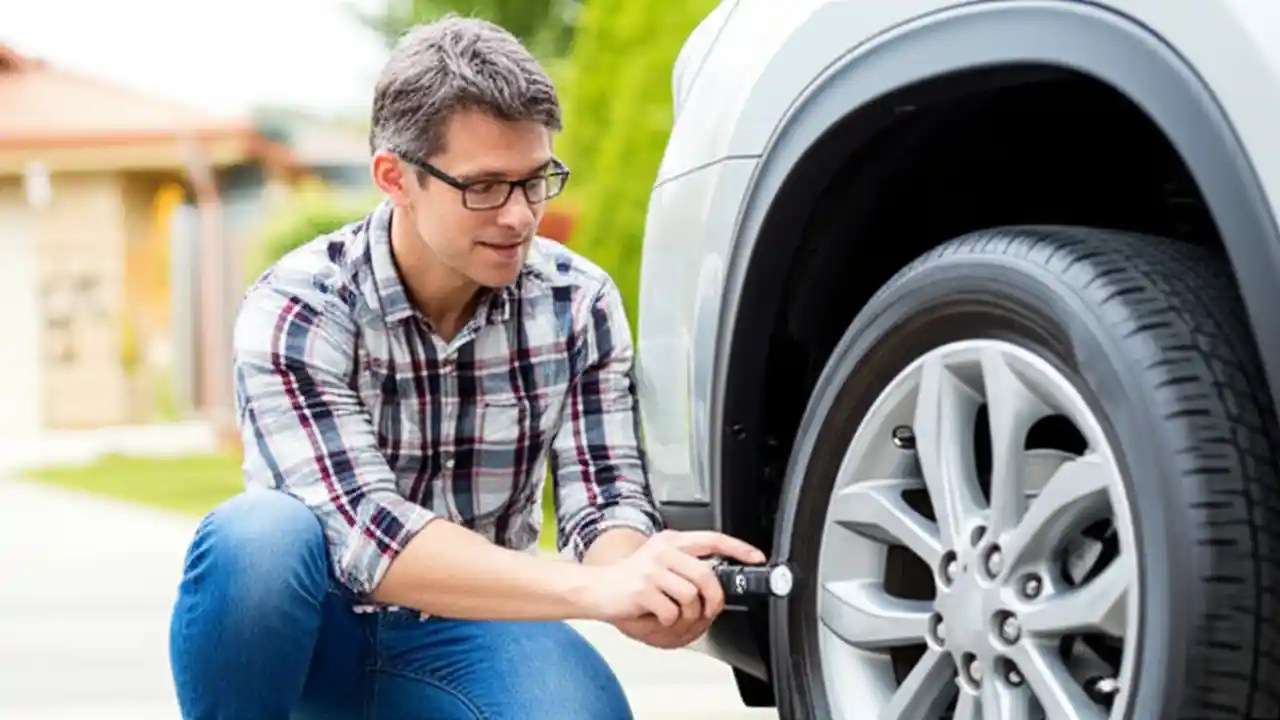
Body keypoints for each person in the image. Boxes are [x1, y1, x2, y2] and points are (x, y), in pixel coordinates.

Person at [166, 13, 765, 720]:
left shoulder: (577, 301)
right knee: (259, 539)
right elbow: (369, 532)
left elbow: (602, 501)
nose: (518, 216)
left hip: (475, 626)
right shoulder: (299, 305)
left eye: (536, 179)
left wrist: (636, 579)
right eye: (484, 187)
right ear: (396, 178)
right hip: (311, 637)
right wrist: (590, 593)